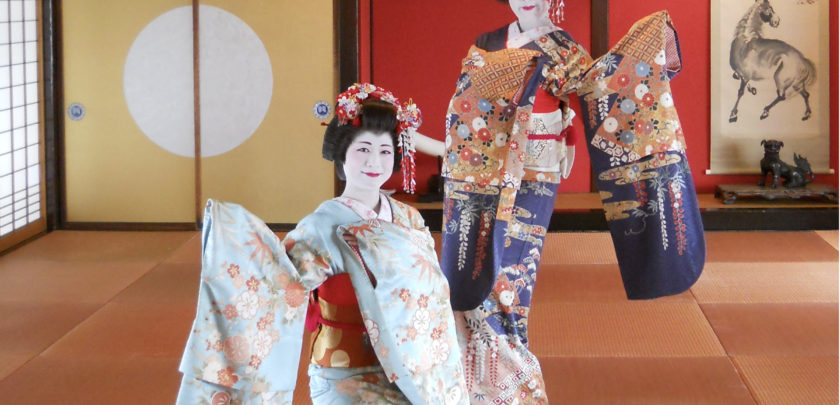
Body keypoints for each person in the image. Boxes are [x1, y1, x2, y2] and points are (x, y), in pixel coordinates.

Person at [414, 1, 705, 403]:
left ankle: (511, 389)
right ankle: (471, 386)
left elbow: (603, 92)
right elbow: (465, 110)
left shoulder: (563, 45)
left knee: (510, 280)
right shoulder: (486, 43)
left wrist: (644, 50)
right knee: (472, 272)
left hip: (535, 177)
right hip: (481, 174)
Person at [175, 83, 468, 405]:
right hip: (348, 372)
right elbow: (275, 291)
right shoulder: (321, 225)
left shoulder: (409, 218)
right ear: (342, 155)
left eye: (385, 151)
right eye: (363, 149)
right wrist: (236, 242)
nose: (375, 161)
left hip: (416, 368)